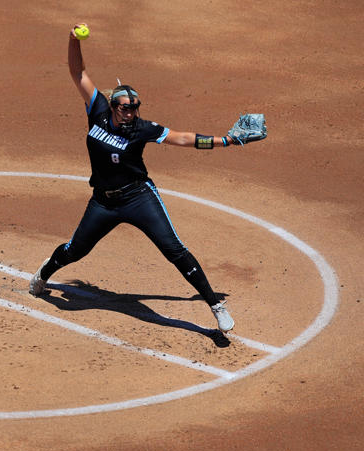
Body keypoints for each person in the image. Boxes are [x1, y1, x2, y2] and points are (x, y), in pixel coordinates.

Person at [29, 23, 253, 333]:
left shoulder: (143, 129)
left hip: (137, 197)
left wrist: (225, 140)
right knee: (75, 250)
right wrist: (72, 39)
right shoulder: (97, 110)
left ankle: (215, 305)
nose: (131, 114)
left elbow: (184, 139)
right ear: (113, 106)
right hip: (103, 203)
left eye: (135, 109)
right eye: (126, 109)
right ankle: (43, 274)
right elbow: (77, 72)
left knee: (174, 250)